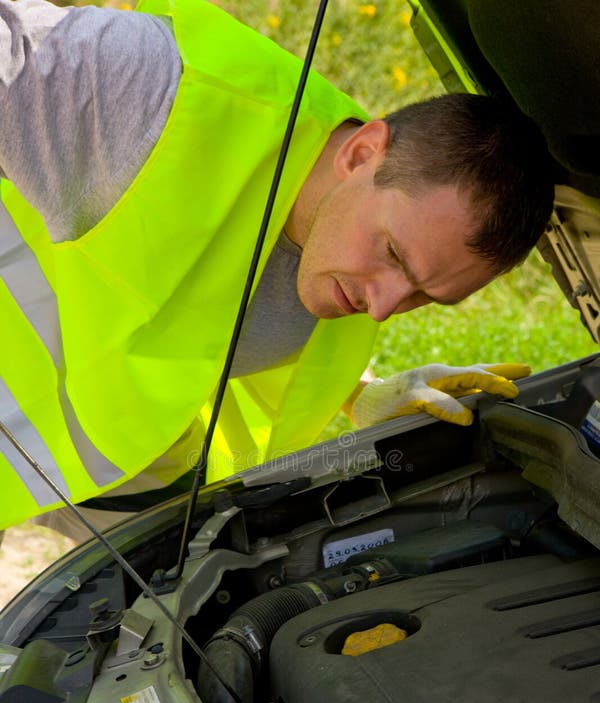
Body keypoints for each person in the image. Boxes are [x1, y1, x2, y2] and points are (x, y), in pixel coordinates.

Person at [0, 0, 554, 540]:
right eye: (393, 255)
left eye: (425, 296)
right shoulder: (154, 96)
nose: (384, 307)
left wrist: (359, 395)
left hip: (117, 457)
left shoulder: (356, 239)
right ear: (361, 154)